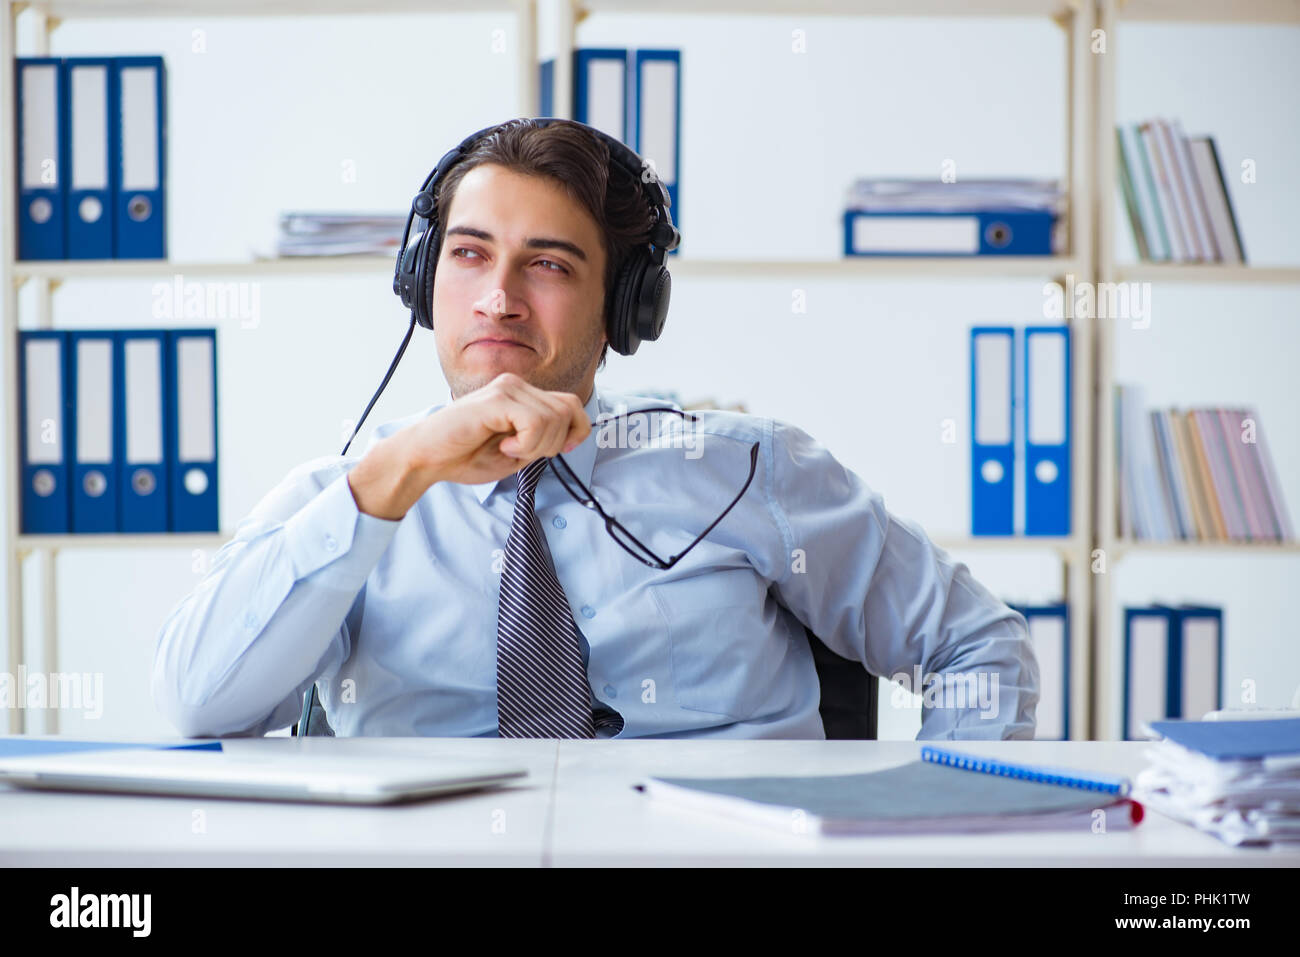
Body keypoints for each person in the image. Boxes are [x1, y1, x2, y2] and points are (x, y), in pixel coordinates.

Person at [152, 117, 1039, 740]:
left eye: (548, 263)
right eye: (467, 254)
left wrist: (940, 829)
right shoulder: (353, 493)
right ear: (424, 281)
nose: (498, 296)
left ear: (625, 306)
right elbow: (201, 702)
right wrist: (395, 477)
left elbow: (977, 645)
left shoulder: (749, 471)